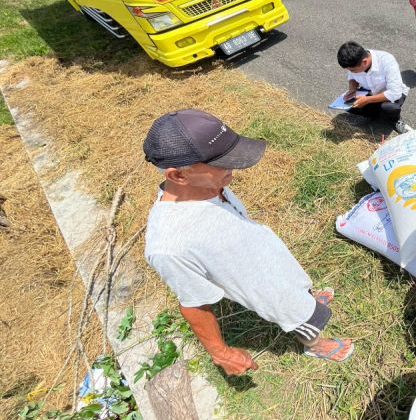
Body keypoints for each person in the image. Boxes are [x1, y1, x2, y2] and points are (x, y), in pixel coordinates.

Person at [143, 109, 354, 375]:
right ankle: (315, 344)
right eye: (223, 163)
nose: (233, 168)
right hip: (264, 287)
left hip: (270, 255)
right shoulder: (169, 246)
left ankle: (307, 298)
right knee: (296, 313)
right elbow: (193, 303)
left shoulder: (207, 186)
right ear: (178, 176)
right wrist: (221, 353)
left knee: (299, 285)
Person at [337, 41, 412, 134]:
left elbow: (395, 93)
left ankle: (395, 120)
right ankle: (373, 115)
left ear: (365, 62)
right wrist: (353, 88)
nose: (352, 72)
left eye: (353, 70)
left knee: (389, 107)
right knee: (349, 105)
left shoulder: (387, 60)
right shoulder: (356, 61)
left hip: (390, 95)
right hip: (370, 92)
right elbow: (352, 77)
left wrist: (367, 100)